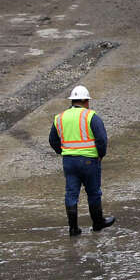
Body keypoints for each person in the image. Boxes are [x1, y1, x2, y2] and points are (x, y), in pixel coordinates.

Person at [48, 85, 115, 236]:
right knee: (93, 192)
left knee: (71, 194)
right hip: (89, 161)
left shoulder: (59, 117)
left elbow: (52, 140)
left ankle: (73, 228)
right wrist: (100, 155)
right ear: (85, 100)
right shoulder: (91, 116)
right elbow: (102, 139)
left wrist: (63, 152)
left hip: (69, 162)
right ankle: (98, 223)